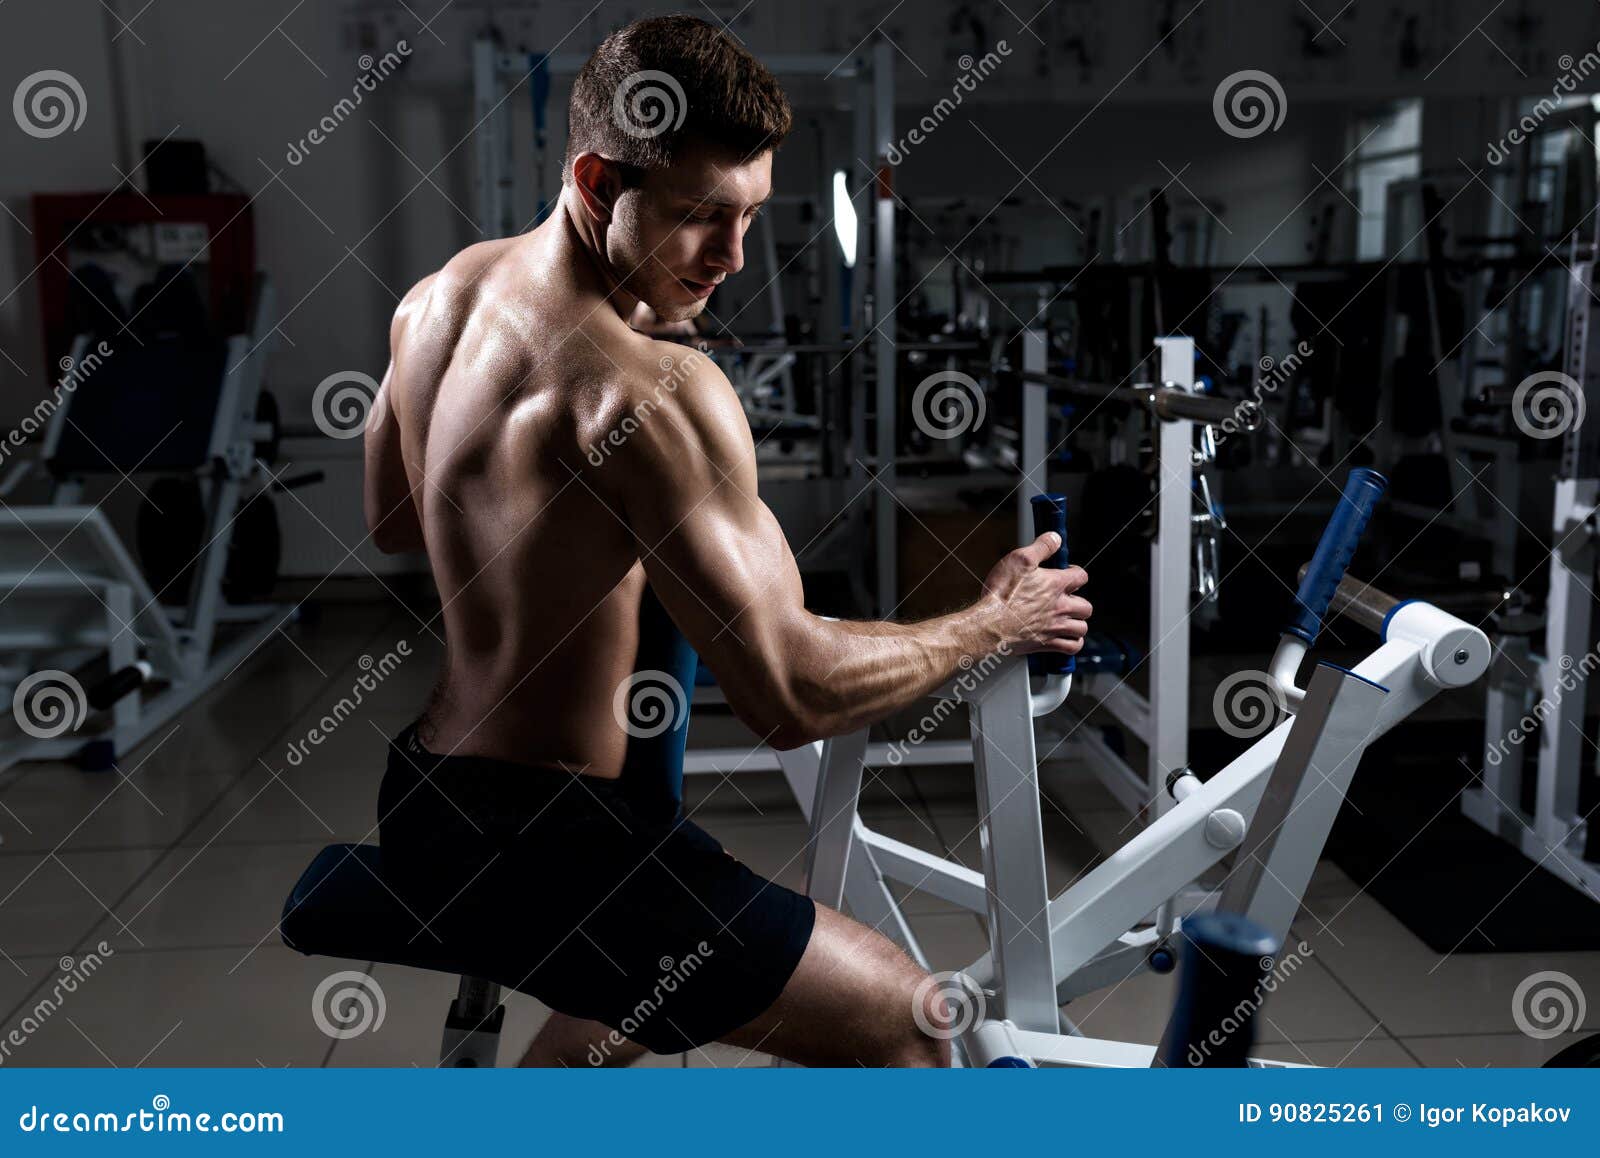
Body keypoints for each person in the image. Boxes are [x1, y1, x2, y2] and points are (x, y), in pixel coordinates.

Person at [363, 14, 1091, 1068]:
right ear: (598, 180)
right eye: (701, 214)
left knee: (615, 1008)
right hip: (557, 843)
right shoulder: (650, 391)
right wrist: (993, 622)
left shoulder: (438, 298)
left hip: (427, 798)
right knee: (917, 1027)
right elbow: (787, 695)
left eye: (750, 213)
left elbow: (394, 521)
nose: (734, 255)